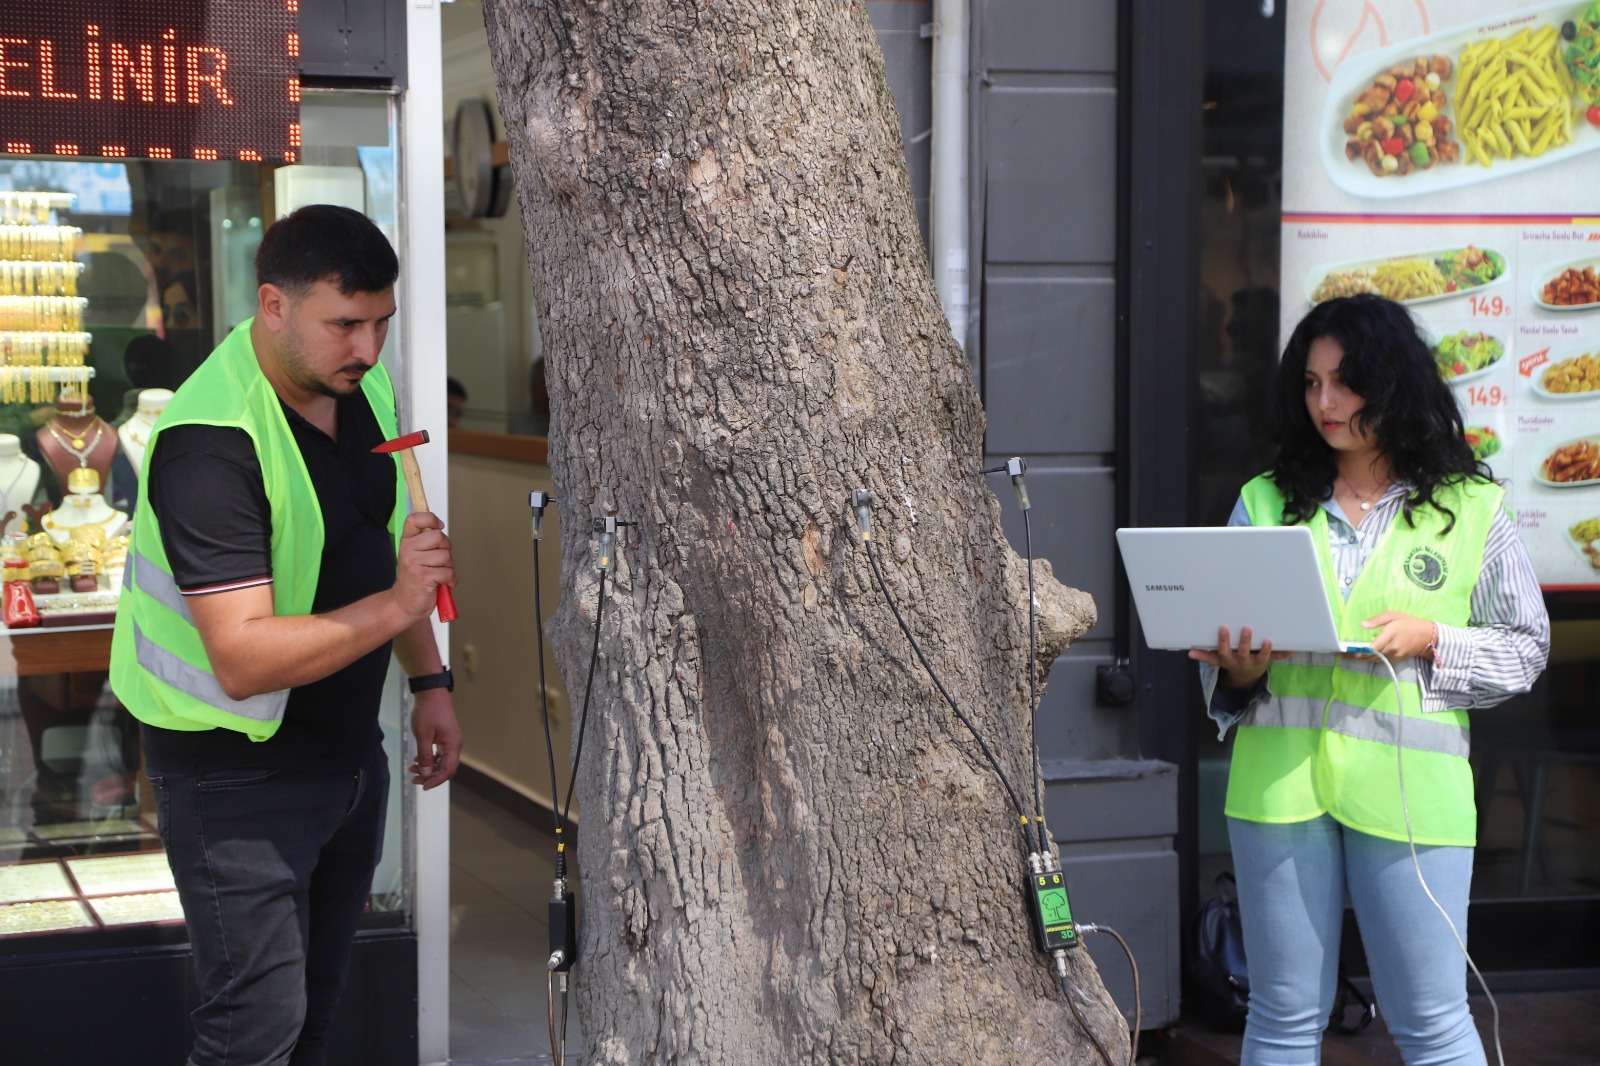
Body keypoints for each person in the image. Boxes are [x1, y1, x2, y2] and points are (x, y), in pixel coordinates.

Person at [110, 204, 462, 1066]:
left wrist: (429, 683)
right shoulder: (211, 440)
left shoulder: (360, 385)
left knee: (314, 1013)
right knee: (251, 1034)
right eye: (346, 324)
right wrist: (401, 608)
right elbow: (241, 658)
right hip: (235, 775)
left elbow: (377, 551)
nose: (369, 349)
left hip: (346, 757)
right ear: (273, 305)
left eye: (381, 322)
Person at [1191, 294, 1548, 1065]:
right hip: (1278, 793)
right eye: (1312, 384)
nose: (1325, 402)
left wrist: (1433, 640)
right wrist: (1243, 673)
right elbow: (1223, 671)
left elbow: (1526, 647)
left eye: (1345, 383)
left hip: (1413, 795)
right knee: (1282, 1016)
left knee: (1432, 1021)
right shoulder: (1263, 501)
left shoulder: (1472, 508)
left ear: (1393, 383)